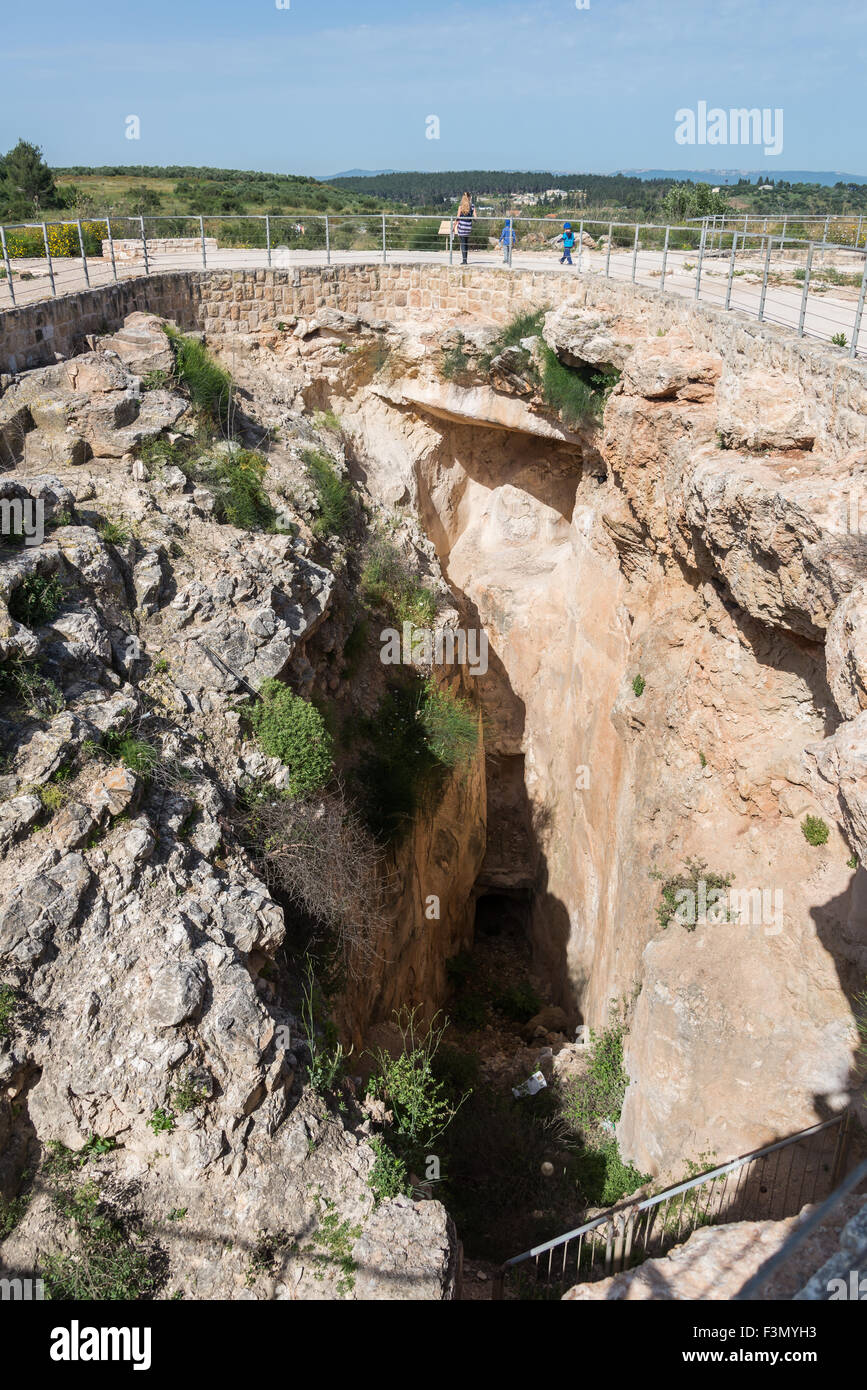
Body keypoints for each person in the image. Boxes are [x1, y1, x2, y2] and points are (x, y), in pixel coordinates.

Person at [454, 191, 475, 264]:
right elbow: (475, 217)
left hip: (462, 226)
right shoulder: (472, 206)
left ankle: (464, 260)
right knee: (466, 243)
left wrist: (454, 226)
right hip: (468, 227)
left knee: (463, 243)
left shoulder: (461, 207)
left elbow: (458, 217)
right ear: (469, 198)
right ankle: (465, 259)